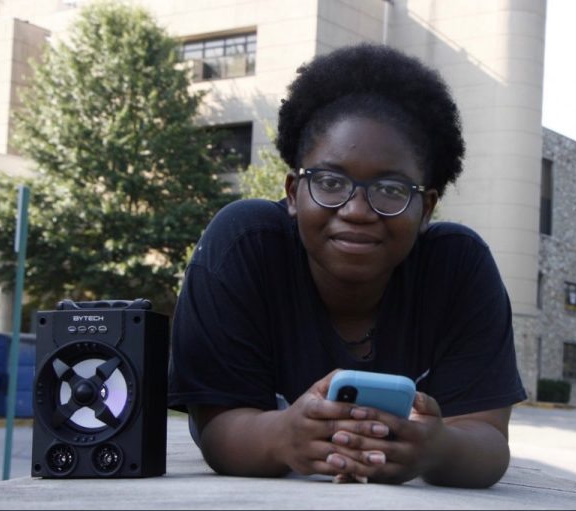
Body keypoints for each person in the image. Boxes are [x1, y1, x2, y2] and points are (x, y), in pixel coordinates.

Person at [168, 43, 527, 488]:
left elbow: (488, 440)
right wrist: (285, 436)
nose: (357, 210)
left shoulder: (459, 268)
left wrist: (436, 449)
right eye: (331, 182)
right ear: (293, 192)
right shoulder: (243, 245)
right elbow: (218, 429)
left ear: (427, 207)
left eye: (391, 189)